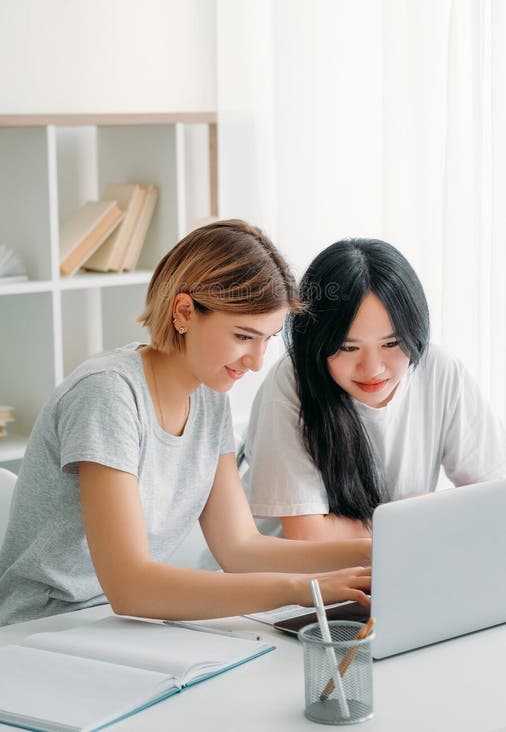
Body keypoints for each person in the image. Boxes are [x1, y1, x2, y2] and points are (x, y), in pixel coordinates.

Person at [0, 220, 371, 626]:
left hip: (121, 625)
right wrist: (305, 589)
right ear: (184, 312)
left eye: (267, 339)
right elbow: (131, 587)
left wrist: (373, 552)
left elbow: (240, 548)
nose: (256, 361)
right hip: (43, 628)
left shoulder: (210, 397)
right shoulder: (107, 394)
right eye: (243, 336)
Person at [245, 238, 506, 541]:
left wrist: (417, 518)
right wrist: (418, 513)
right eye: (348, 347)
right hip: (294, 578)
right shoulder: (291, 384)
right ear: (316, 344)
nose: (372, 369)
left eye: (391, 343)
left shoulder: (439, 372)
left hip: (394, 568)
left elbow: (493, 500)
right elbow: (308, 536)